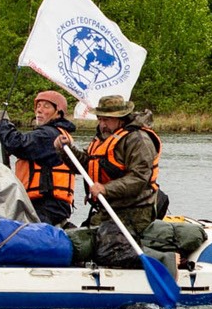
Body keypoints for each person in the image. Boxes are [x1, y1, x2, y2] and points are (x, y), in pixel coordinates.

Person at [54, 94, 162, 268]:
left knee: (107, 249)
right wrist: (66, 151)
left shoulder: (138, 139)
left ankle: (161, 259)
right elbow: (88, 165)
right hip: (108, 209)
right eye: (100, 119)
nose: (102, 124)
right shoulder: (103, 138)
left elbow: (139, 178)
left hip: (135, 211)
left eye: (107, 120)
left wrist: (105, 189)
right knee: (82, 241)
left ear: (120, 118)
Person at [0, 90, 77, 226]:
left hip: (46, 206)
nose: (39, 110)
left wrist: (4, 124)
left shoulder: (49, 134)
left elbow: (16, 144)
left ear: (58, 112)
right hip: (48, 205)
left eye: (46, 106)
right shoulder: (56, 133)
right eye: (38, 106)